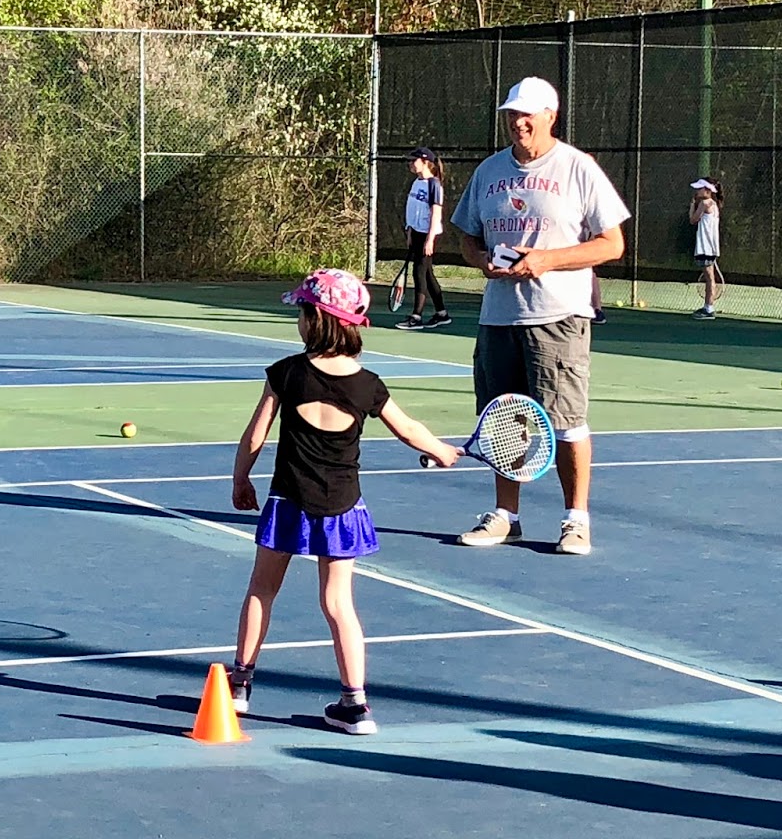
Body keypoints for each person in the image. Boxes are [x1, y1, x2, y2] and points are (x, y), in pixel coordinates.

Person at [228, 268, 462, 734]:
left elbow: (254, 436)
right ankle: (355, 704)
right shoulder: (368, 385)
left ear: (316, 319)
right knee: (338, 602)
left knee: (261, 590)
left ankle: (240, 686)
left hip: (287, 503)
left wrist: (241, 480)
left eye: (301, 312)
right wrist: (439, 448)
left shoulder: (286, 373)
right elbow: (409, 428)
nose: (298, 319)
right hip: (342, 509)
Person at [450, 77, 629, 556]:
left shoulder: (578, 168)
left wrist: (546, 260)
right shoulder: (489, 171)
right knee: (503, 421)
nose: (519, 122)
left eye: (528, 114)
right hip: (498, 317)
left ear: (551, 115)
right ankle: (506, 515)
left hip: (559, 316)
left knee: (567, 421)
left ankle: (576, 521)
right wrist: (480, 259)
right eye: (512, 114)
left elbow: (612, 244)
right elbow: (467, 236)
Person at [397, 147, 451, 330]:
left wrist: (430, 239)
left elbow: (436, 213)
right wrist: (410, 230)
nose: (410, 164)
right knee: (427, 275)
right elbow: (412, 209)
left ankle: (416, 316)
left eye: (414, 160)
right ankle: (442, 313)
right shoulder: (416, 183)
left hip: (429, 234)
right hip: (417, 233)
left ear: (425, 161)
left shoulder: (434, 184)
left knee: (419, 273)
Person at [688, 177, 722, 318]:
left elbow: (692, 220)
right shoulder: (712, 204)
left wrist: (691, 206)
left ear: (707, 190)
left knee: (709, 279)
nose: (697, 190)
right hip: (708, 247)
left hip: (706, 247)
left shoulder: (705, 203)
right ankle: (708, 307)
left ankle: (709, 309)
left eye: (699, 188)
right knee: (709, 278)